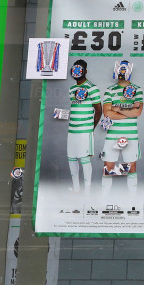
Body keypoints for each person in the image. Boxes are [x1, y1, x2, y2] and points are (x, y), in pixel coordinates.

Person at [101, 59, 143, 194]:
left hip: (131, 135)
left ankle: (132, 201)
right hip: (112, 134)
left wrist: (116, 108)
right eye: (121, 69)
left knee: (131, 167)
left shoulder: (137, 89)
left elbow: (137, 112)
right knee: (108, 166)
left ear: (130, 70)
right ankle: (104, 199)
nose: (123, 72)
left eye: (125, 69)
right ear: (117, 70)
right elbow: (107, 112)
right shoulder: (110, 90)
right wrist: (128, 113)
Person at [65, 60, 102, 192]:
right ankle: (76, 189)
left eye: (80, 69)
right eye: (74, 69)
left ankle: (87, 191)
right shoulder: (72, 89)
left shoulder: (92, 88)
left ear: (85, 71)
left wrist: (91, 128)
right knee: (71, 157)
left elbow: (99, 111)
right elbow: (76, 107)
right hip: (72, 130)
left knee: (84, 158)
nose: (76, 71)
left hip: (85, 130)